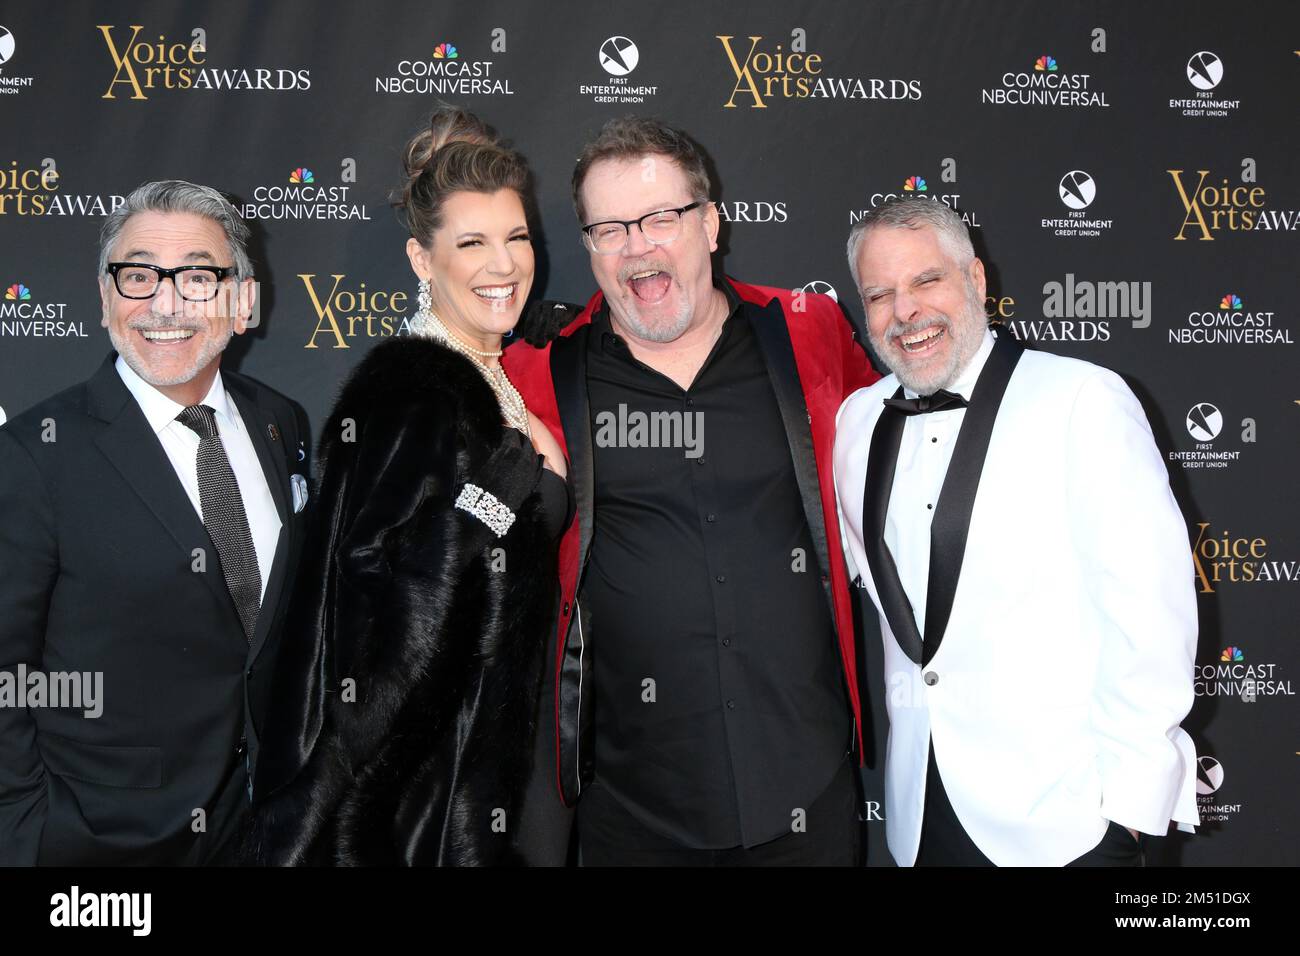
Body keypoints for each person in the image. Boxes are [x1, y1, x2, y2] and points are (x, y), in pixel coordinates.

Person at [501, 116, 879, 866]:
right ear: (587, 248)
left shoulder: (807, 334)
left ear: (711, 224)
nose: (636, 245)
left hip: (809, 794)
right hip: (636, 811)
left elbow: (902, 466)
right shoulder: (539, 375)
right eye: (608, 228)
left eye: (660, 218)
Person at [243, 108, 573, 866]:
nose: (504, 265)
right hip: (440, 791)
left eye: (517, 237)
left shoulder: (495, 377)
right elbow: (373, 600)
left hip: (514, 757)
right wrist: (488, 501)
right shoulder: (411, 390)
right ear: (423, 260)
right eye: (472, 244)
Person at [833, 197, 1200, 866]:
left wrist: (1128, 815)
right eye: (879, 294)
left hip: (1066, 819)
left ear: (976, 280)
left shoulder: (1082, 399)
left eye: (927, 280)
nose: (905, 311)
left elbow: (1151, 617)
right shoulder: (855, 424)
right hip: (921, 812)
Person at [0, 180, 311, 865]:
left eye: (198, 277)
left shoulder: (278, 421)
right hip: (103, 848)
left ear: (242, 301)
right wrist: (32, 836)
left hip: (263, 831)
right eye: (138, 275)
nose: (164, 303)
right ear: (106, 296)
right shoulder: (34, 455)